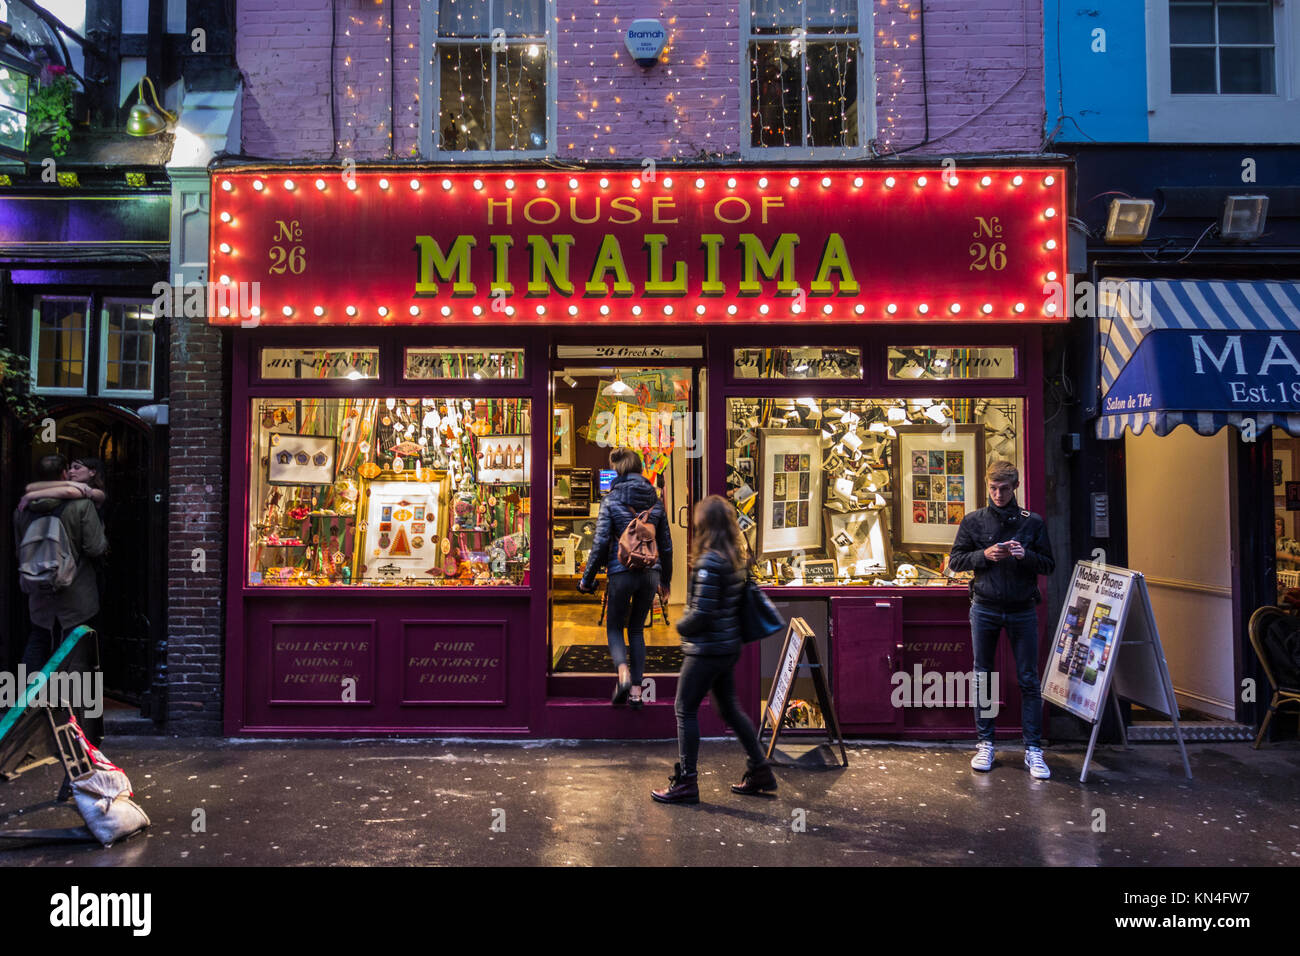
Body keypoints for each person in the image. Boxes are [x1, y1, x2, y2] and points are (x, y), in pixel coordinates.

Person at [651, 495, 776, 804]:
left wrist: (679, 626)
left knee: (685, 708)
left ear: (704, 525)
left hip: (706, 650)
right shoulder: (734, 557)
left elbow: (702, 614)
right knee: (730, 709)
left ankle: (687, 782)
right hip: (728, 646)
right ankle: (760, 769)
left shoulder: (709, 561)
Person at [948, 460, 1056, 779]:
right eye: (993, 488)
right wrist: (984, 556)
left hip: (1022, 608)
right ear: (987, 487)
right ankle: (985, 743)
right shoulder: (973, 521)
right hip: (984, 606)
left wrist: (1027, 557)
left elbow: (1049, 565)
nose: (998, 494)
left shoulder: (1032, 522)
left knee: (1028, 678)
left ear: (1016, 487)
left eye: (1004, 489)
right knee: (983, 676)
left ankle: (1033, 749)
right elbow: (954, 561)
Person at [14, 454, 109, 743]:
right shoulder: (81, 505)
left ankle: (21, 715)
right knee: (78, 656)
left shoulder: (24, 508)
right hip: (76, 593)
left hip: (40, 593)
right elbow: (95, 547)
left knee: (38, 644)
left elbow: (20, 549)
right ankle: (79, 723)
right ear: (65, 472)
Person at [578, 447, 673, 708]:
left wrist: (586, 580)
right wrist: (666, 581)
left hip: (621, 572)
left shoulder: (610, 501)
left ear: (616, 471)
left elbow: (599, 545)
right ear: (640, 469)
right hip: (650, 573)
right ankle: (637, 693)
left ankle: (622, 676)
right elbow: (665, 546)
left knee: (614, 626)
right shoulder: (656, 502)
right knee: (637, 630)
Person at [17, 454, 107, 515]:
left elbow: (69, 492)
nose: (71, 471)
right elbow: (30, 487)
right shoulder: (70, 485)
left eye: (77, 468)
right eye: (70, 468)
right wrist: (68, 482)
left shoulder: (99, 493)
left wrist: (30, 496)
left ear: (92, 472)